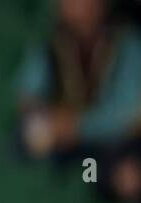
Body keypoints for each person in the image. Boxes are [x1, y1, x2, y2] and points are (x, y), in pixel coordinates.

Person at [17, 0, 141, 159]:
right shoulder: (55, 45)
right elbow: (28, 91)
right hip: (65, 141)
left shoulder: (128, 44)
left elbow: (127, 115)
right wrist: (41, 118)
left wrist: (77, 126)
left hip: (117, 147)